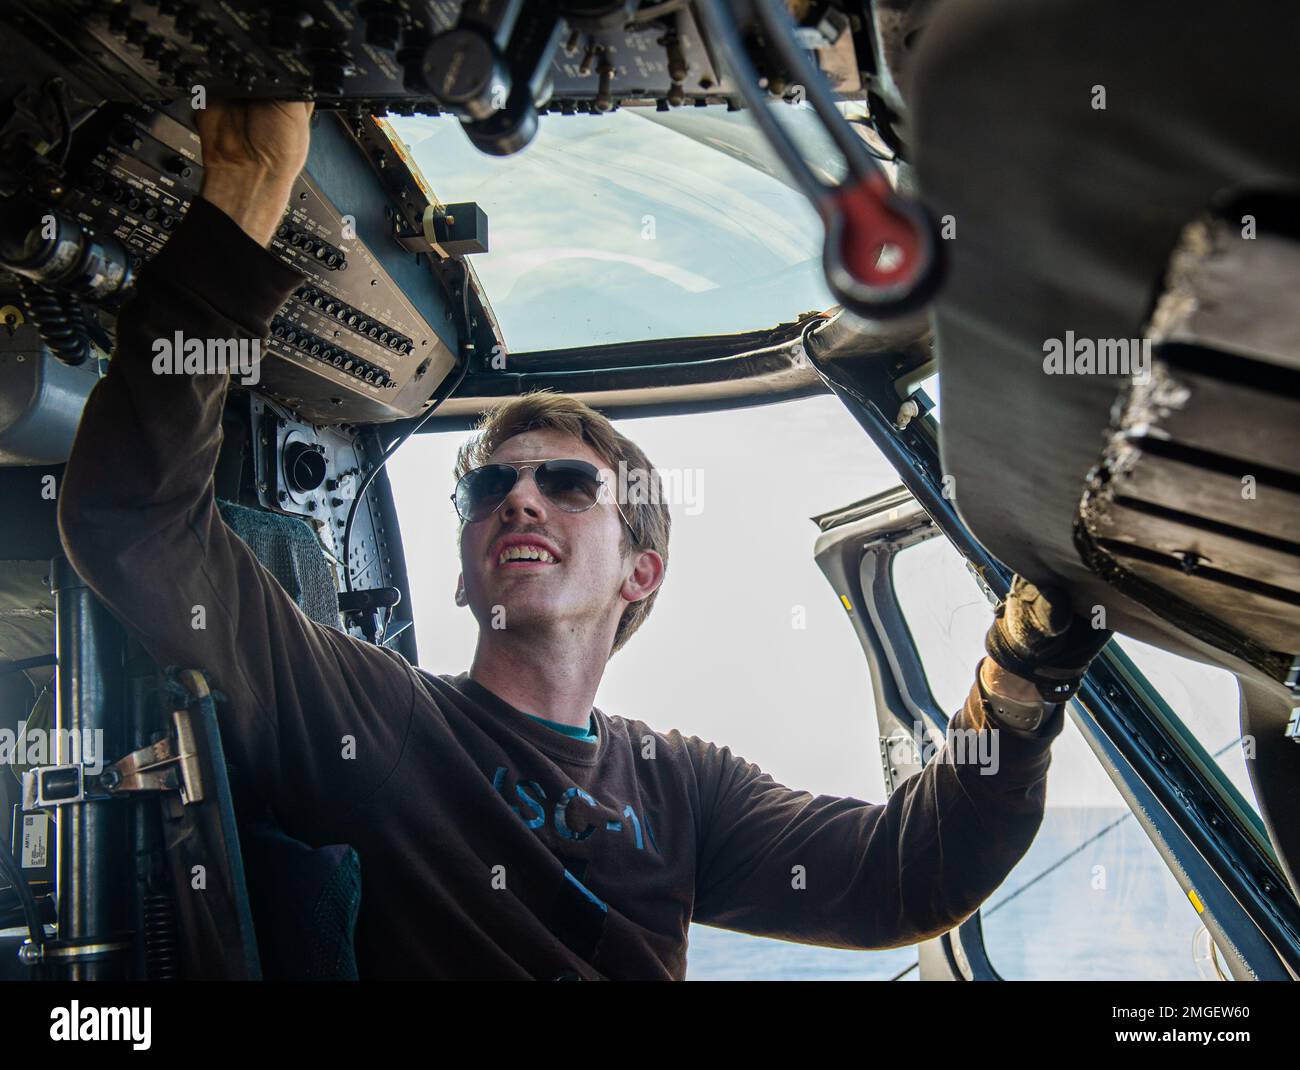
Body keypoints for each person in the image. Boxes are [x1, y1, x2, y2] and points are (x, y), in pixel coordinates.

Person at [57, 100, 1111, 979]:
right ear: (465, 569)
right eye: (489, 487)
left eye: (567, 484)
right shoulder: (370, 711)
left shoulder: (679, 784)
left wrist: (1014, 692)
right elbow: (135, 515)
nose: (518, 500)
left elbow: (901, 873)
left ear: (639, 569)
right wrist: (243, 193)